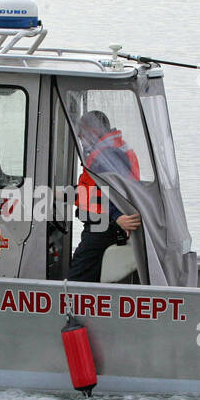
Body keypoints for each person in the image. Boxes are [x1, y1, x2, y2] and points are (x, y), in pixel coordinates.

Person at [68, 110, 141, 283]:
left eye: (81, 135)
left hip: (103, 227)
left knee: (78, 278)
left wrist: (117, 217)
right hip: (104, 223)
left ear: (92, 132)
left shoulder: (107, 155)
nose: (80, 139)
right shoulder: (111, 149)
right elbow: (94, 190)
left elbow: (114, 190)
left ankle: (72, 308)